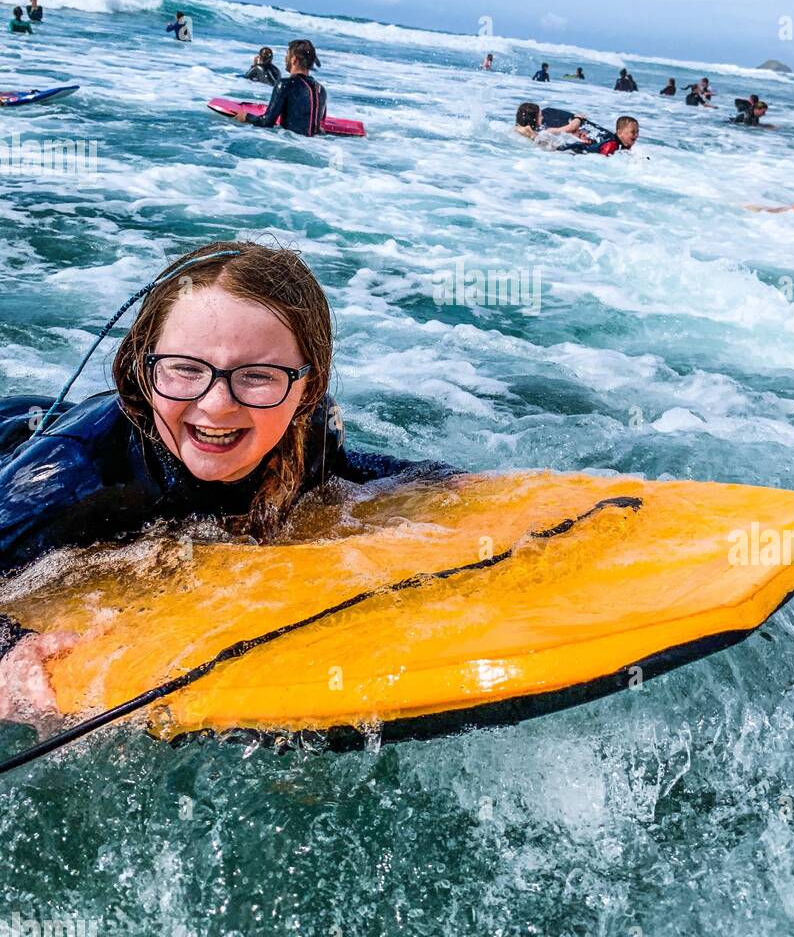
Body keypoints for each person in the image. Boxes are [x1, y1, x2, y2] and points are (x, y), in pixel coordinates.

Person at [0, 242, 447, 722]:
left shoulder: (310, 433)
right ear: (141, 367)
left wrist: (449, 485)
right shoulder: (72, 475)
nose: (217, 405)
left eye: (257, 376)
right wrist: (10, 647)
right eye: (186, 368)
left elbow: (354, 474)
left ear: (307, 388)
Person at [236, 40, 326, 137]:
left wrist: (246, 117)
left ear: (294, 60)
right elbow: (318, 128)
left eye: (287, 55)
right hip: (314, 145)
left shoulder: (285, 84)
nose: (285, 59)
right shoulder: (321, 90)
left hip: (291, 143)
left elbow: (266, 122)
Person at [565, 115, 639, 155]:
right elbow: (602, 162)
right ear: (619, 133)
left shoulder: (626, 144)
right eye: (632, 132)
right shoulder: (611, 145)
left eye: (637, 132)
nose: (636, 135)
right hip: (576, 150)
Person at [514, 102, 586, 141]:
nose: (543, 117)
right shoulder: (548, 131)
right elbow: (572, 127)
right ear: (536, 117)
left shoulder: (531, 133)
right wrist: (578, 118)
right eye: (541, 115)